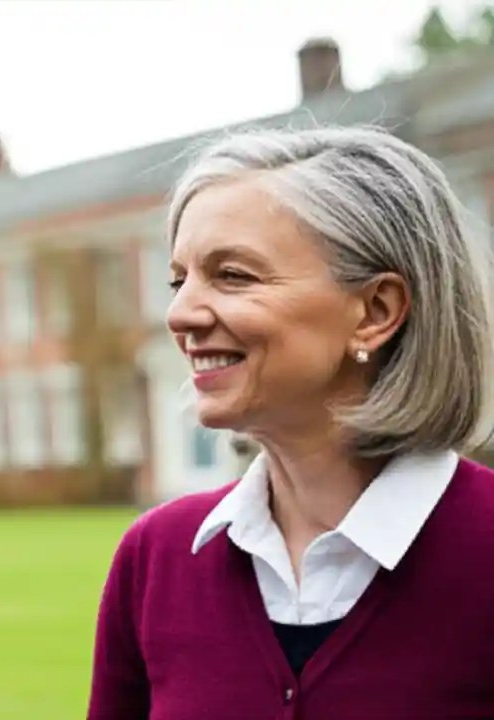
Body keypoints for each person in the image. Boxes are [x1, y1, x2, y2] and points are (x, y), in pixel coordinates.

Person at [88, 126, 494, 719]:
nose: (180, 314)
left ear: (376, 312)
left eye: (233, 275)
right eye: (180, 281)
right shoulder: (156, 559)